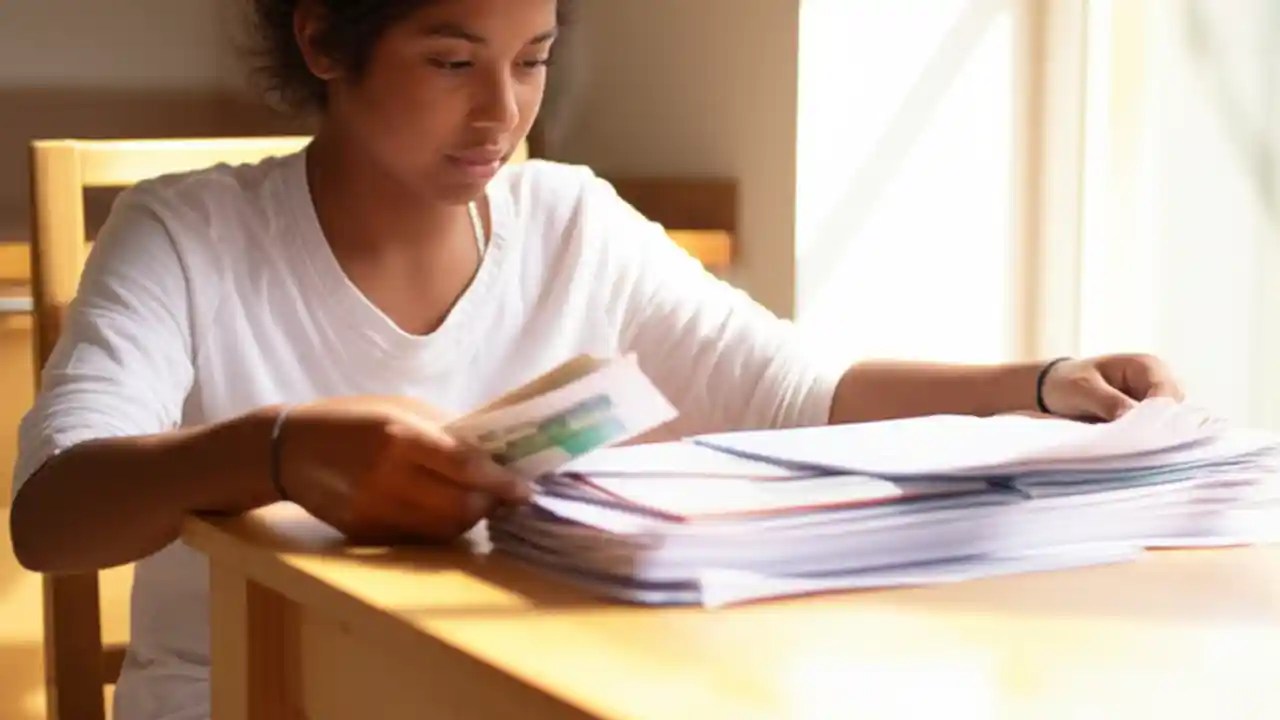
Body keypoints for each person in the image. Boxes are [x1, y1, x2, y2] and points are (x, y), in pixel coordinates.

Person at [8, 0, 1184, 718]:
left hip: (496, 693)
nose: (501, 114)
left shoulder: (570, 221)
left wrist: (1031, 384)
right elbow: (51, 519)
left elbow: (795, 392)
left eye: (533, 58)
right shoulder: (187, 234)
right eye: (452, 60)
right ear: (324, 37)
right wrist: (275, 451)